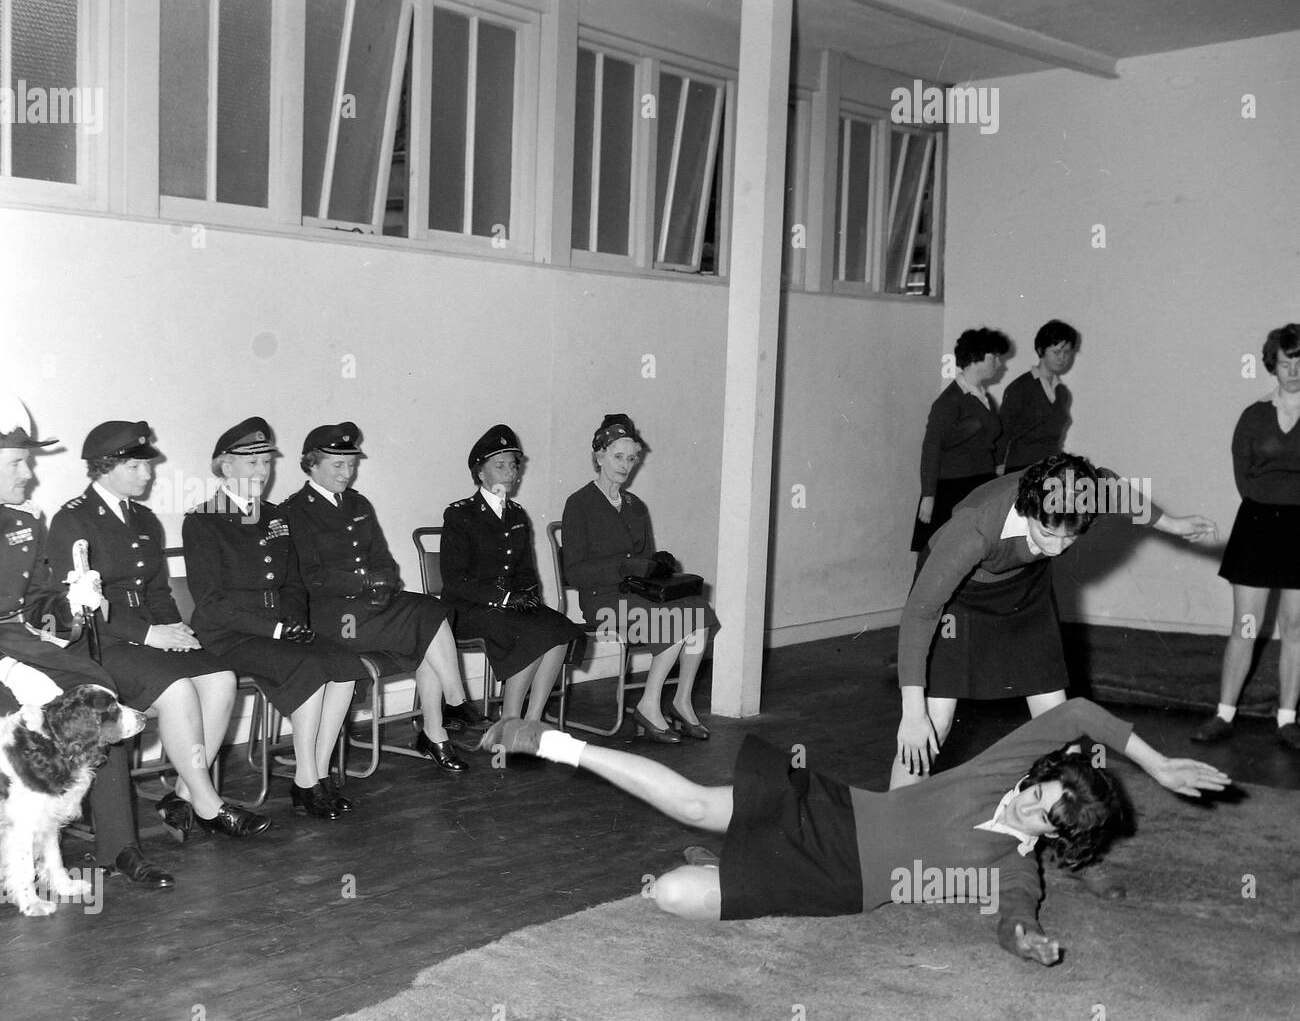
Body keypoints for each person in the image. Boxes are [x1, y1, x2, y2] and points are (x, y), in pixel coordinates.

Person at [479, 699, 1230, 966]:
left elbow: (1013, 919)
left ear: (1058, 839)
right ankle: (554, 743)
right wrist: (1157, 764)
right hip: (833, 811)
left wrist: (1022, 942)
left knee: (671, 896)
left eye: (1049, 818)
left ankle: (736, 858)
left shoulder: (1013, 867)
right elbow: (1075, 716)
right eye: (1046, 791)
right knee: (700, 806)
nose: (1033, 805)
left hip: (836, 884)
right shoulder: (998, 771)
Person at [894, 453, 1219, 790]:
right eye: (1047, 533)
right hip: (959, 598)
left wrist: (1174, 524)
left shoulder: (1082, 493)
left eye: (1070, 538)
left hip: (1022, 588)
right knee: (935, 723)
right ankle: (892, 822)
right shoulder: (976, 524)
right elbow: (921, 612)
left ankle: (1068, 822)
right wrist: (912, 714)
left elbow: (1117, 489)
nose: (1056, 548)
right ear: (1026, 508)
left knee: (1056, 719)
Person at [46, 421, 270, 842]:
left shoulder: (145, 520)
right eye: (136, 467)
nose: (148, 475)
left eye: (146, 467)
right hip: (99, 644)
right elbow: (77, 604)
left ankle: (184, 794)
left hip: (150, 637)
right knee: (179, 689)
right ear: (105, 467)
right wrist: (150, 636)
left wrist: (175, 627)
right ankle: (209, 804)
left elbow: (157, 590)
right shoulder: (72, 520)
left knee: (220, 678)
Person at [0, 395, 172, 889]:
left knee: (95, 685)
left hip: (13, 639)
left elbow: (35, 605)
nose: (29, 476)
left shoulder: (25, 519)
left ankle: (117, 845)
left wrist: (72, 606)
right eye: (17, 464)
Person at [182, 418, 367, 820]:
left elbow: (294, 583)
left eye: (267, 463)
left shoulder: (274, 515)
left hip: (278, 628)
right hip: (228, 635)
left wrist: (294, 624)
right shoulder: (203, 520)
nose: (263, 473)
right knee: (310, 667)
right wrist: (277, 629)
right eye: (253, 464)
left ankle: (314, 774)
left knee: (344, 664)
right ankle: (305, 780)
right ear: (226, 467)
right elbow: (211, 603)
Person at [280, 421, 489, 776]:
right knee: (425, 626)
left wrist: (384, 583)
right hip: (332, 616)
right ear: (311, 464)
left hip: (371, 606)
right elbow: (309, 577)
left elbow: (384, 561)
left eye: (351, 464)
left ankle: (441, 725)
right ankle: (450, 712)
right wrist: (365, 580)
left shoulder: (359, 504)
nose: (348, 473)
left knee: (431, 612)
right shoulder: (294, 511)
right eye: (338, 465)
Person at [560, 413, 719, 743]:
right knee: (676, 619)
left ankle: (681, 701)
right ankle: (648, 705)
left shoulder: (636, 506)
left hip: (638, 597)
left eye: (631, 458)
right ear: (599, 456)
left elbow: (645, 564)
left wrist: (658, 565)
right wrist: (624, 567)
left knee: (698, 612)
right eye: (618, 456)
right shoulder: (579, 504)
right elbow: (573, 571)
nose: (625, 465)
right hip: (601, 602)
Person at [1192, 323, 1300, 751]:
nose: (1294, 368)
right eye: (1286, 360)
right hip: (1258, 527)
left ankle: (1288, 720)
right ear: (1272, 364)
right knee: (1247, 625)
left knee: (1296, 627)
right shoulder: (1253, 415)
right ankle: (1223, 714)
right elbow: (1244, 477)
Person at [439, 425, 583, 732]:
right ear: (480, 473)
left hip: (508, 607)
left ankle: (532, 723)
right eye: (500, 466)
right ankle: (509, 722)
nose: (509, 473)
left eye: (513, 465)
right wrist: (504, 598)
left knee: (559, 629)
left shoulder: (517, 514)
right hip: (468, 610)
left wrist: (528, 596)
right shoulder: (460, 515)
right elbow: (454, 581)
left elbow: (526, 570)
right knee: (528, 633)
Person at [910, 327, 1010, 555]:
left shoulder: (983, 397)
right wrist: (928, 496)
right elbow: (931, 448)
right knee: (939, 556)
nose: (999, 363)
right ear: (975, 358)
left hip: (980, 485)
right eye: (993, 357)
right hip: (953, 488)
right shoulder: (949, 401)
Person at [996, 319, 1079, 474]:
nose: (1062, 358)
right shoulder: (1020, 387)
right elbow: (1003, 434)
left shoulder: (1062, 393)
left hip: (1050, 470)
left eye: (1067, 352)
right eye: (1056, 352)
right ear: (1041, 350)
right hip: (1021, 470)